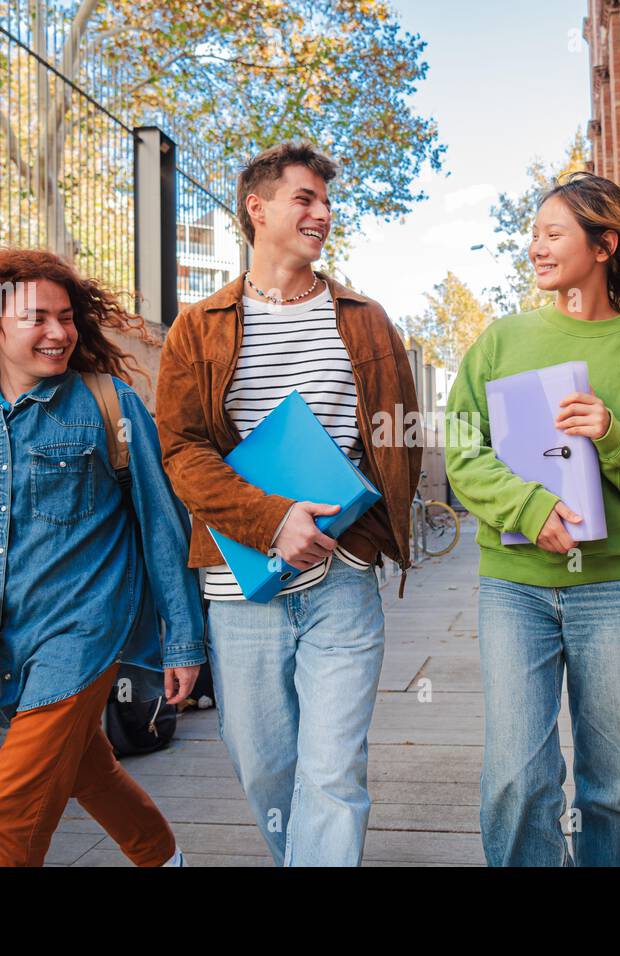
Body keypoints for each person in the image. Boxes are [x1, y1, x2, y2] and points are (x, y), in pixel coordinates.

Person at [155, 141, 421, 866]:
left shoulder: (365, 319)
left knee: (332, 771)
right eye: (305, 199)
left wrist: (360, 519)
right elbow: (181, 450)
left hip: (342, 574)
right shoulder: (197, 326)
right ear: (257, 208)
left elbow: (400, 434)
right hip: (241, 581)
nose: (322, 214)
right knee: (264, 765)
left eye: (327, 203)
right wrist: (273, 520)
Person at [0, 249, 205, 867]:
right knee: (88, 770)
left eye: (65, 318)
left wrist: (183, 640)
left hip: (86, 631)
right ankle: (164, 858)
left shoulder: (106, 403)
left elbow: (162, 525)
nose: (58, 333)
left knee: (6, 827)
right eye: (37, 318)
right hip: (9, 641)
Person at [444, 171, 620, 866]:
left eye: (553, 234)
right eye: (534, 235)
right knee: (519, 779)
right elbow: (463, 451)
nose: (536, 249)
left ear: (604, 244)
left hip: (615, 590)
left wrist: (611, 435)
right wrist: (530, 505)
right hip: (513, 587)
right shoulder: (500, 342)